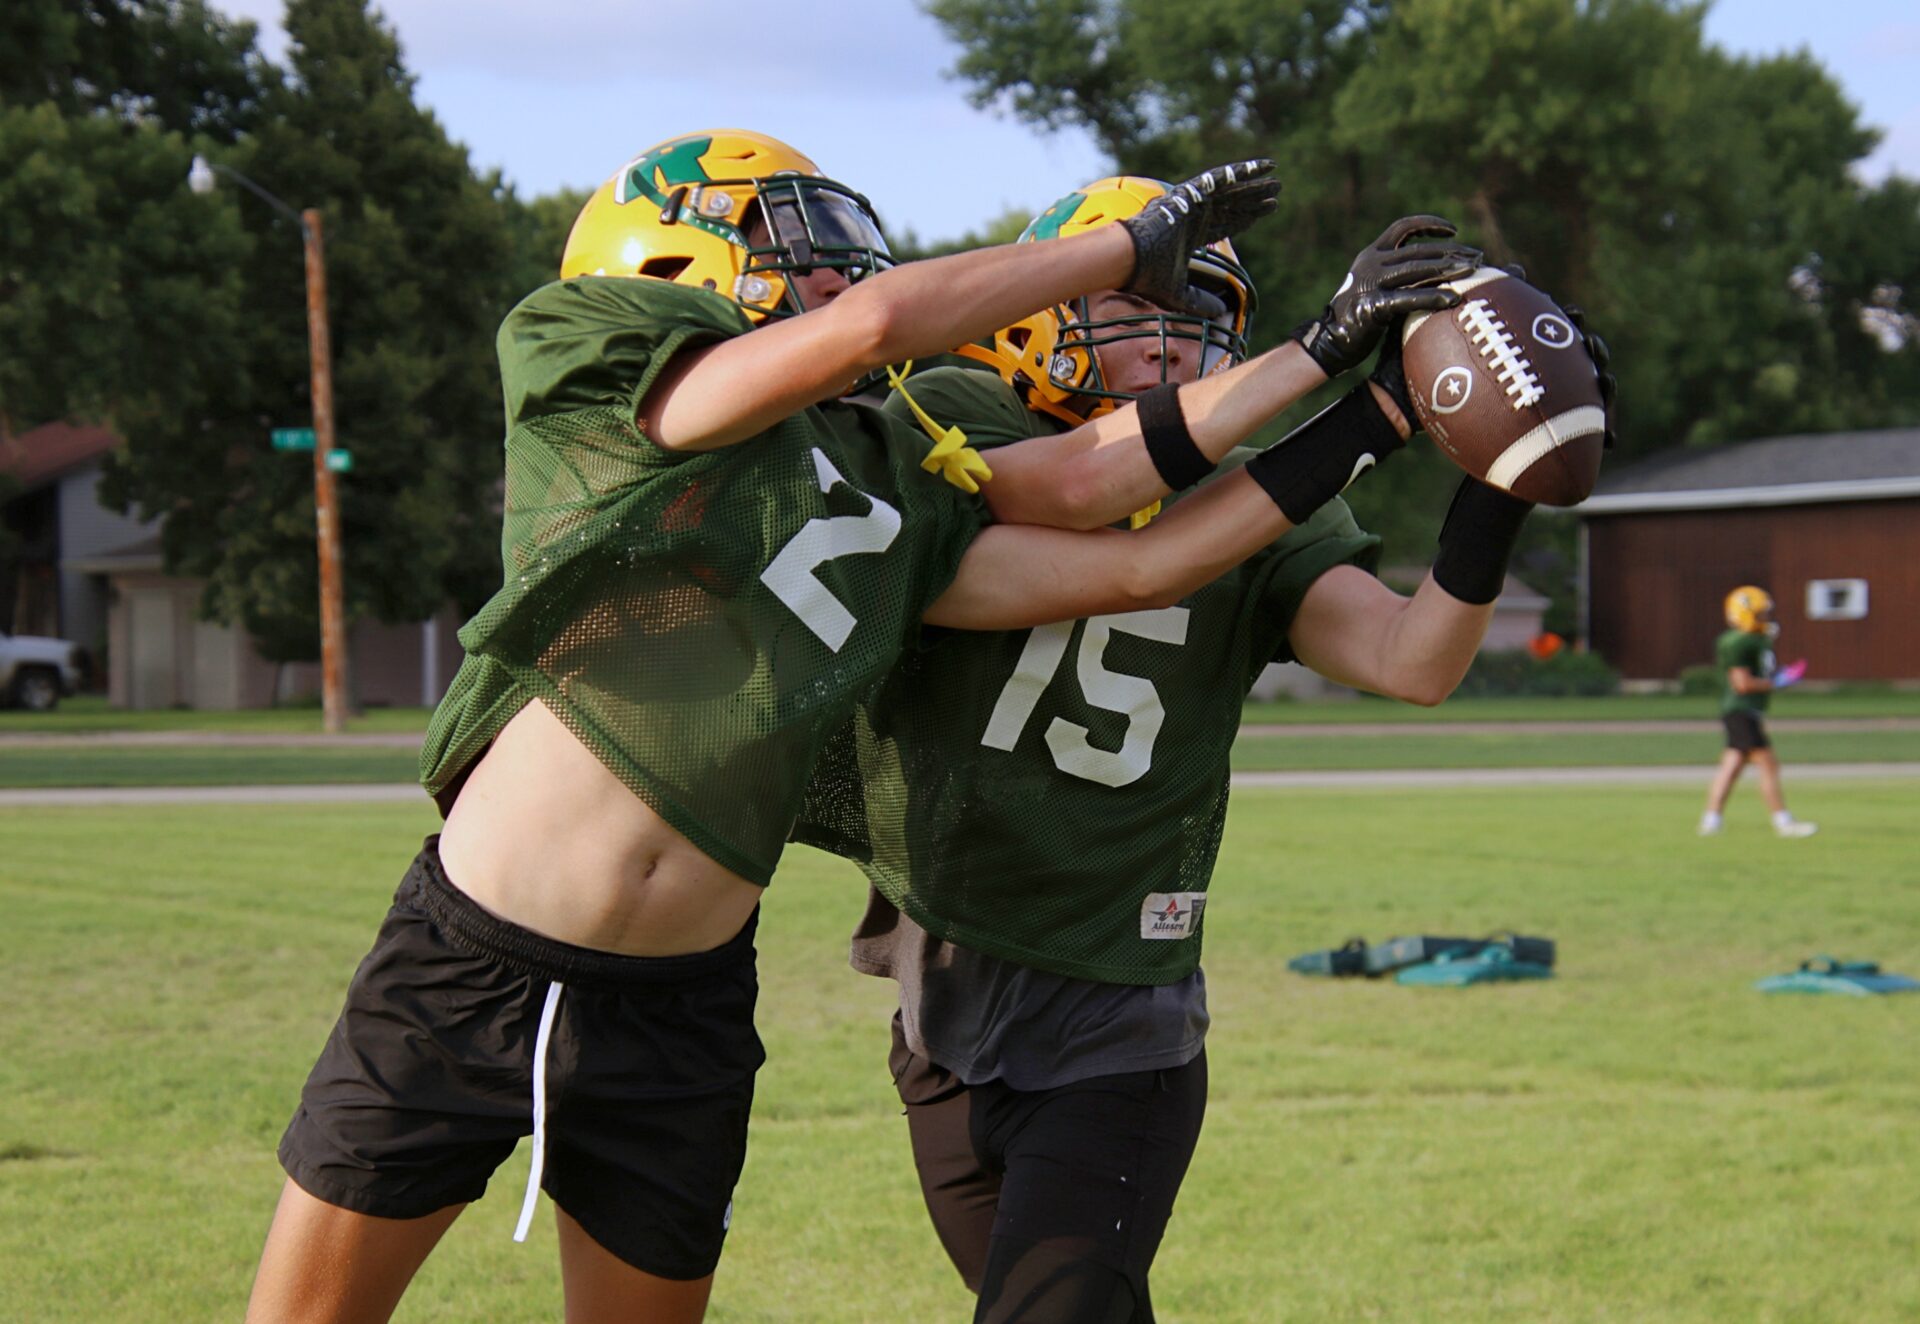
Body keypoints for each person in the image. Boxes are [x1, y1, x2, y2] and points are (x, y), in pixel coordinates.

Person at [239, 128, 1459, 1324]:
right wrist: (1124, 247)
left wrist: (1354, 384)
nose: (835, 269)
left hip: (685, 1003)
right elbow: (876, 328)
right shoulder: (586, 353)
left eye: (839, 247)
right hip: (473, 961)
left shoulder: (886, 454)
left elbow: (1109, 522)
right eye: (792, 239)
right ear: (663, 258)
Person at [792, 177, 1602, 1323]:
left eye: (1197, 323)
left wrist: (1497, 477)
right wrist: (1346, 396)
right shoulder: (956, 413)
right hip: (946, 988)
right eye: (1134, 315)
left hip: (1119, 1005)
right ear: (1038, 313)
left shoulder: (1260, 497)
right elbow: (1083, 491)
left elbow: (1414, 658)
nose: (1172, 349)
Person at [1699, 585, 1816, 838]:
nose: (1765, 619)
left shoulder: (1755, 640)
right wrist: (1778, 682)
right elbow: (1741, 684)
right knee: (1768, 765)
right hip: (1741, 711)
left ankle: (1711, 821)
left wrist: (1778, 677)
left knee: (1731, 767)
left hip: (1743, 712)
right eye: (1760, 614)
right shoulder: (1738, 642)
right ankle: (1783, 822)